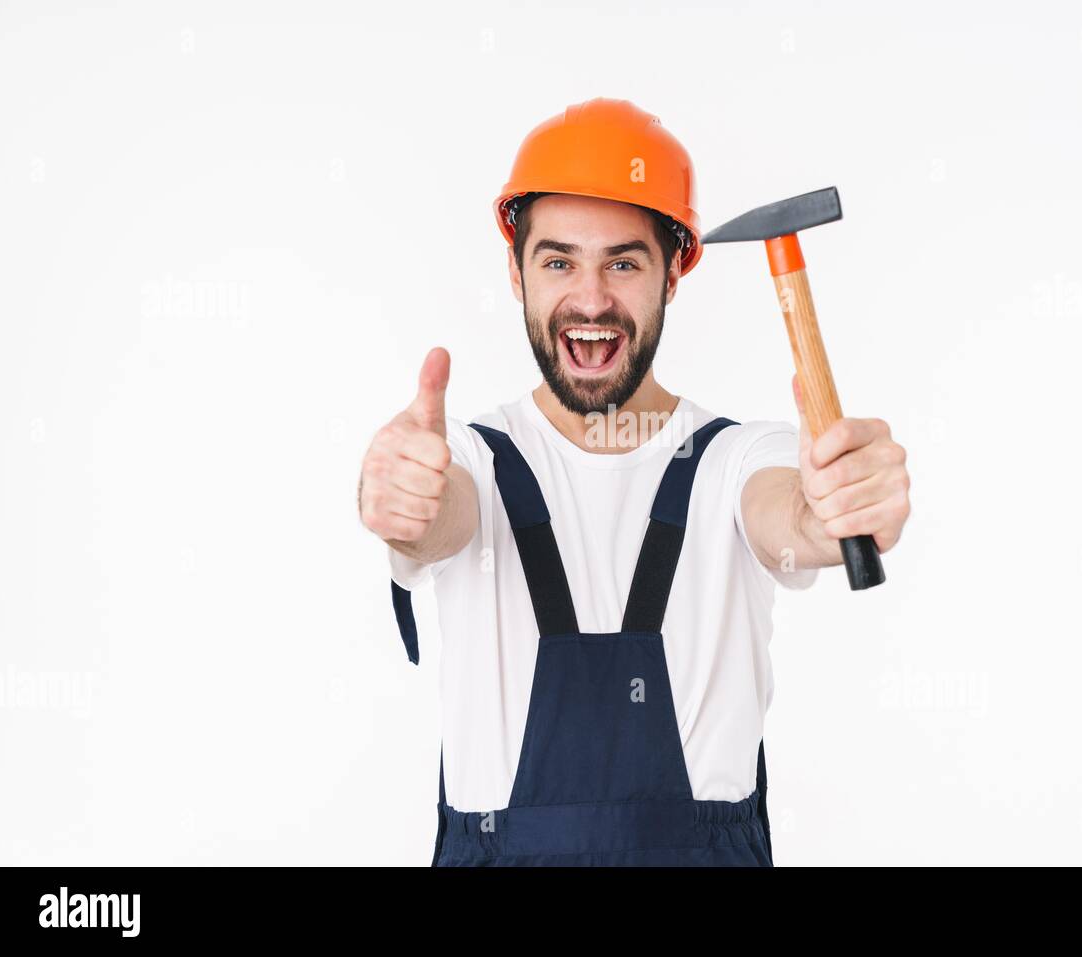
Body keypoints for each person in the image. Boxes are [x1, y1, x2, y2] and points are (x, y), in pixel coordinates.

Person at [357, 98, 911, 866]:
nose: (590, 300)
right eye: (558, 261)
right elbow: (437, 512)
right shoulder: (465, 458)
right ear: (516, 274)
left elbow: (787, 511)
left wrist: (831, 509)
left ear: (675, 272)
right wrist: (400, 502)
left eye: (623, 261)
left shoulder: (735, 461)